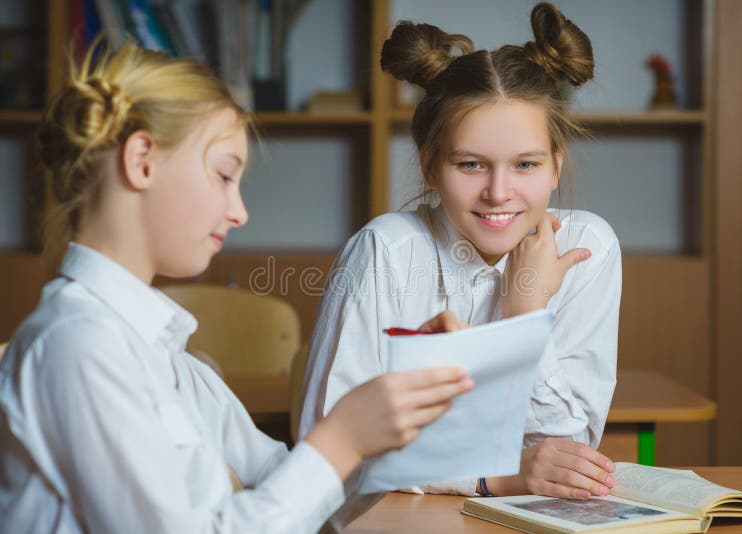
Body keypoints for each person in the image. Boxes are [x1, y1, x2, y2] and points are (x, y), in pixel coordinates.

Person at [0, 40, 474, 534]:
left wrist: (394, 415)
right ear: (141, 160)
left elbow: (293, 497)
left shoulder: (173, 360)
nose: (239, 211)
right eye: (224, 175)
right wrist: (342, 438)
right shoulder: (77, 345)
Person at [300, 1, 622, 507]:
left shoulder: (588, 249)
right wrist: (488, 478)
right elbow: (325, 452)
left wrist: (527, 311)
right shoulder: (384, 250)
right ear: (430, 166)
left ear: (556, 167)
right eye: (471, 164)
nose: (499, 192)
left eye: (525, 164)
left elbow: (566, 456)